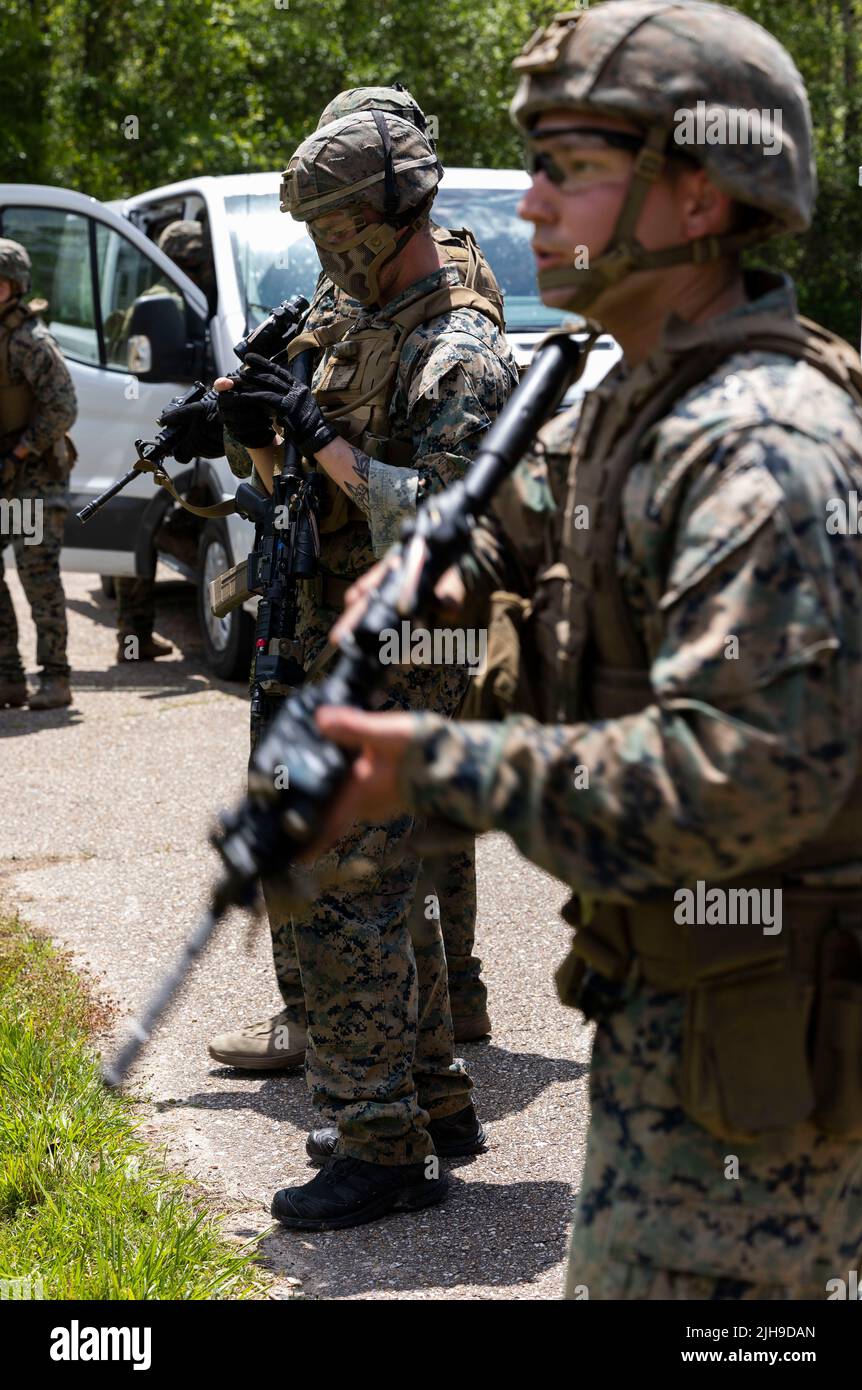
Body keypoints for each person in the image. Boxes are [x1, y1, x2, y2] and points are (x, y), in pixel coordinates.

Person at [308, 0, 862, 1296]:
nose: (531, 205)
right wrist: (444, 563)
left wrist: (436, 766)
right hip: (680, 1011)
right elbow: (528, 521)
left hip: (758, 1061)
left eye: (568, 169)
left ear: (696, 197)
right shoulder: (634, 392)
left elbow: (734, 776)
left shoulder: (759, 444)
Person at [174, 108, 518, 1228]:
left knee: (339, 890)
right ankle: (431, 1101)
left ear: (388, 215)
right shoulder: (354, 311)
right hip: (330, 625)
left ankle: (382, 1149)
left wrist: (318, 438)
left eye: (336, 226)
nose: (324, 249)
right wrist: (250, 425)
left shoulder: (458, 347)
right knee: (375, 884)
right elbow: (298, 452)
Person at [114, 219, 215, 664]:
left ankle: (134, 633)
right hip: (165, 423)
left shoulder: (164, 299)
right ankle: (134, 634)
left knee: (143, 521)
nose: (198, 270)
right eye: (192, 262)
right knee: (146, 521)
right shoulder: (168, 301)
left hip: (156, 422)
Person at [0, 237, 77, 711]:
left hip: (32, 481)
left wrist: (19, 452)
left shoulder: (31, 342)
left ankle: (55, 676)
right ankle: (8, 676)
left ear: (17, 287)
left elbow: (63, 408)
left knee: (37, 574)